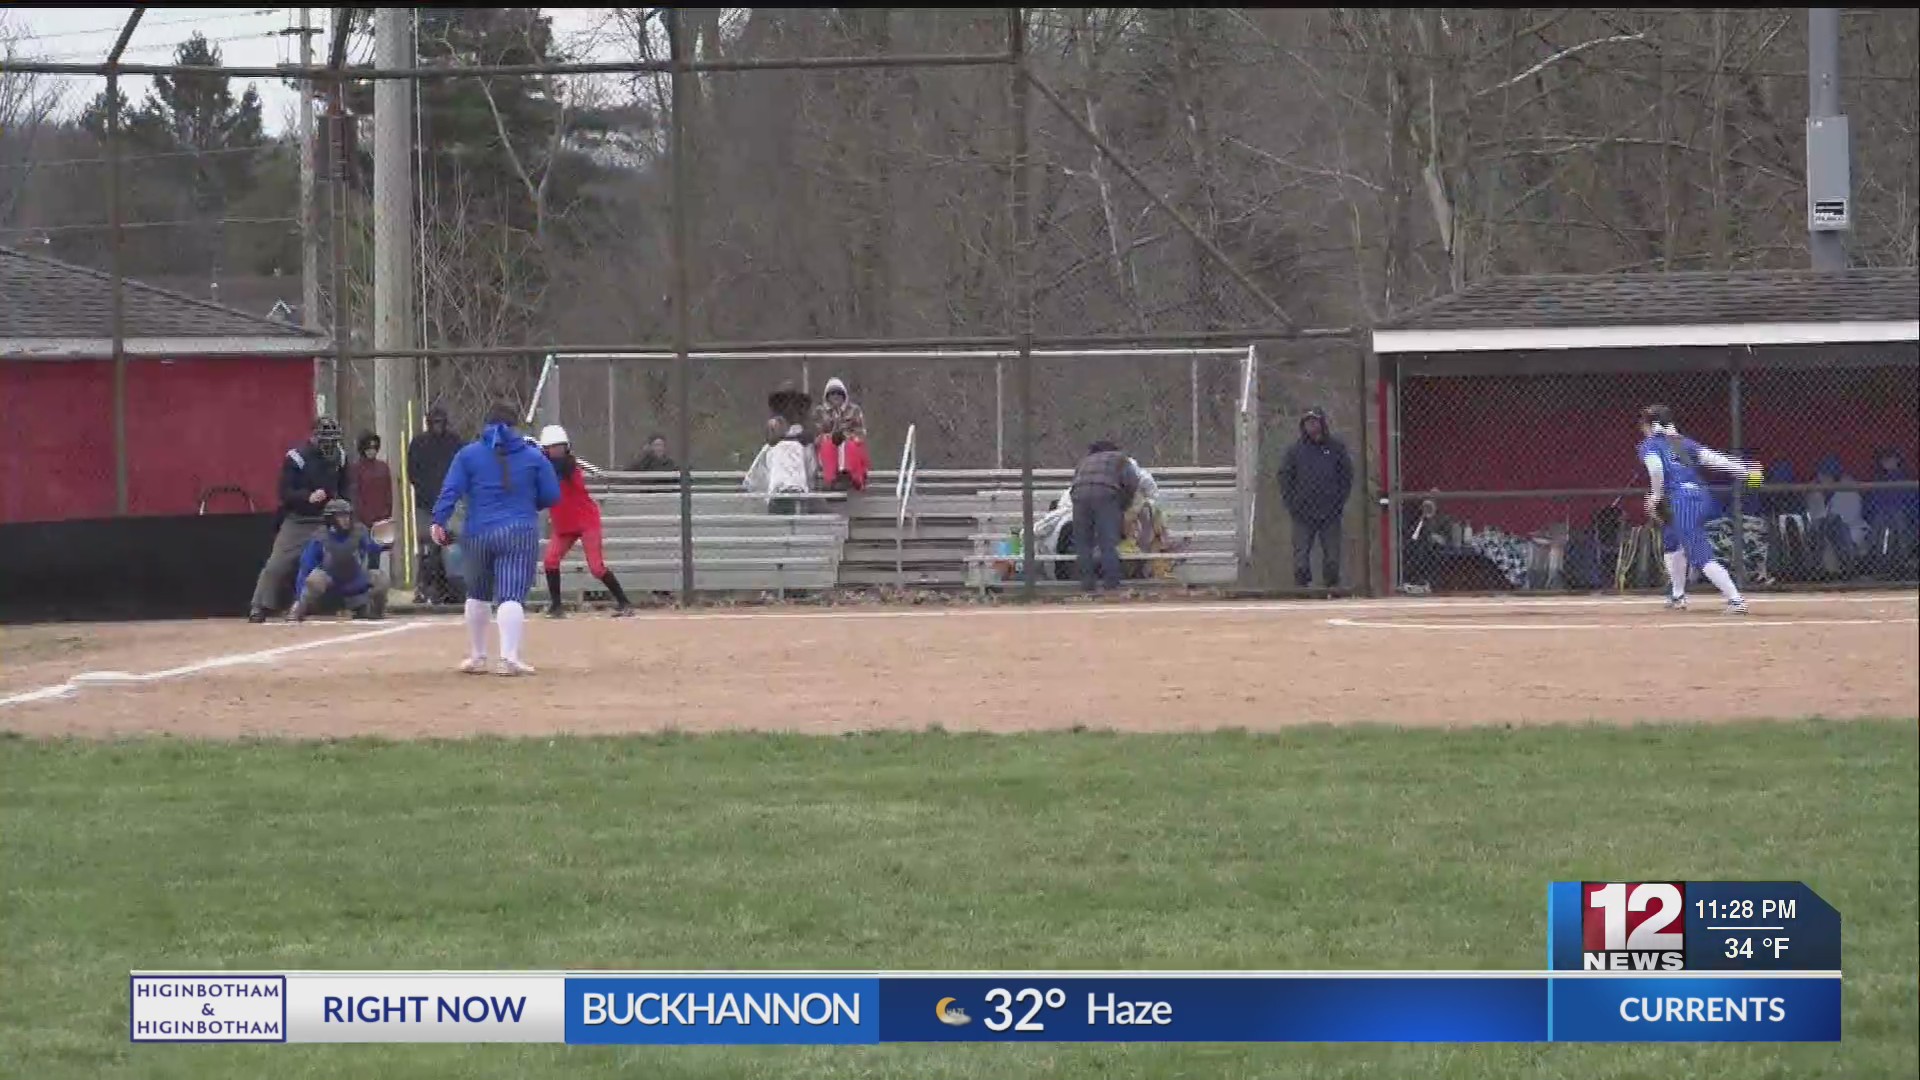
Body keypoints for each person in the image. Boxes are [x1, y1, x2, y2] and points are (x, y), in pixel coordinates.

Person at [431, 403, 561, 676]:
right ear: (515, 426)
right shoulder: (534, 456)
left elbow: (451, 489)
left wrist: (438, 520)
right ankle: (508, 657)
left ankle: (478, 656)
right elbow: (551, 494)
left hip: (478, 530)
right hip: (518, 530)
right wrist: (527, 504)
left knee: (477, 593)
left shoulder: (468, 455)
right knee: (511, 594)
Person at [1637, 404, 1762, 614]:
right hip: (1699, 496)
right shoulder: (1684, 443)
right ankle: (1678, 596)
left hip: (1682, 500)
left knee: (1699, 554)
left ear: (1652, 425)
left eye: (1645, 424)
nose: (1643, 428)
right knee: (1671, 541)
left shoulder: (1650, 445)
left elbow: (1656, 468)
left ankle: (1735, 600)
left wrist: (1655, 496)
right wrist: (1746, 473)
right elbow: (1717, 460)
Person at [249, 416, 351, 623]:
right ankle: (259, 605)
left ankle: (356, 602)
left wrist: (343, 507)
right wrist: (307, 496)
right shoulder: (297, 458)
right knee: (277, 564)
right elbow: (284, 492)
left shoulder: (340, 457)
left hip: (327, 519)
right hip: (300, 519)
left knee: (347, 558)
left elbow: (346, 488)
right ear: (313, 438)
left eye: (333, 440)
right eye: (325, 439)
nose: (330, 444)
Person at [537, 424, 635, 619]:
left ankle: (624, 603)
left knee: (596, 568)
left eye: (561, 446)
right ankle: (556, 606)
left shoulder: (570, 466)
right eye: (554, 447)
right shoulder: (541, 467)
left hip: (585, 520)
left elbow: (559, 472)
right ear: (546, 449)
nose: (558, 450)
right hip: (564, 524)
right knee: (550, 561)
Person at [1278, 407, 1352, 590]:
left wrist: (1338, 502)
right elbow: (1284, 477)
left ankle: (1332, 589)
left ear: (1322, 423)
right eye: (1307, 422)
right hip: (1303, 513)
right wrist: (1293, 504)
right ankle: (1302, 589)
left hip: (1330, 512)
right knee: (1301, 558)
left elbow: (1347, 476)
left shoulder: (1336, 448)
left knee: (1332, 559)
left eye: (1315, 421)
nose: (1312, 425)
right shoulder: (1295, 451)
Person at [288, 498, 390, 622]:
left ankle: (374, 611)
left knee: (380, 578)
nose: (346, 520)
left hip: (355, 581)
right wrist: (299, 597)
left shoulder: (359, 532)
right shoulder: (320, 537)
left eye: (347, 516)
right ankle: (300, 609)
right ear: (331, 519)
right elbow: (306, 568)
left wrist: (383, 542)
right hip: (330, 585)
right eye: (341, 517)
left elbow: (373, 548)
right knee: (315, 578)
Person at [407, 405, 464, 603]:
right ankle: (425, 587)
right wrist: (426, 493)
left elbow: (462, 470)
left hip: (450, 504)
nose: (438, 426)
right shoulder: (418, 443)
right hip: (426, 504)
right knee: (427, 546)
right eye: (435, 422)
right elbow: (412, 473)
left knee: (449, 544)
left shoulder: (454, 442)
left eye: (441, 422)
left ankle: (451, 587)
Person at [1069, 440, 1140, 592]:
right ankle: (1111, 584)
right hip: (1106, 495)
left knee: (1083, 544)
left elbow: (1075, 482)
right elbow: (1132, 482)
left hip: (1079, 496)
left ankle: (1087, 585)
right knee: (1107, 542)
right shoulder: (1120, 458)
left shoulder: (1085, 461)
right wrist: (1124, 504)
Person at [812, 376, 870, 491]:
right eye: (832, 393)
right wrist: (830, 436)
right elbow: (815, 435)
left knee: (849, 445)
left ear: (844, 395)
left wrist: (846, 437)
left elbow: (861, 433)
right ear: (827, 396)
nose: (836, 396)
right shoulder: (819, 411)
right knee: (828, 444)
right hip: (827, 448)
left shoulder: (854, 410)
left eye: (839, 393)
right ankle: (830, 479)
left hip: (850, 445)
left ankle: (849, 475)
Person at [745, 421, 814, 515]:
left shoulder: (770, 448)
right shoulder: (800, 447)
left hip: (779, 492)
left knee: (779, 524)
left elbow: (754, 473)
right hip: (796, 492)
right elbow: (811, 469)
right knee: (795, 524)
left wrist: (752, 486)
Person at [346, 431, 393, 527]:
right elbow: (355, 495)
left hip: (383, 518)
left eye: (374, 448)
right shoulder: (356, 468)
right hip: (363, 520)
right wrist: (364, 517)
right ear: (362, 449)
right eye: (368, 448)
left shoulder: (383, 467)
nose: (372, 451)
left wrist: (387, 514)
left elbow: (388, 492)